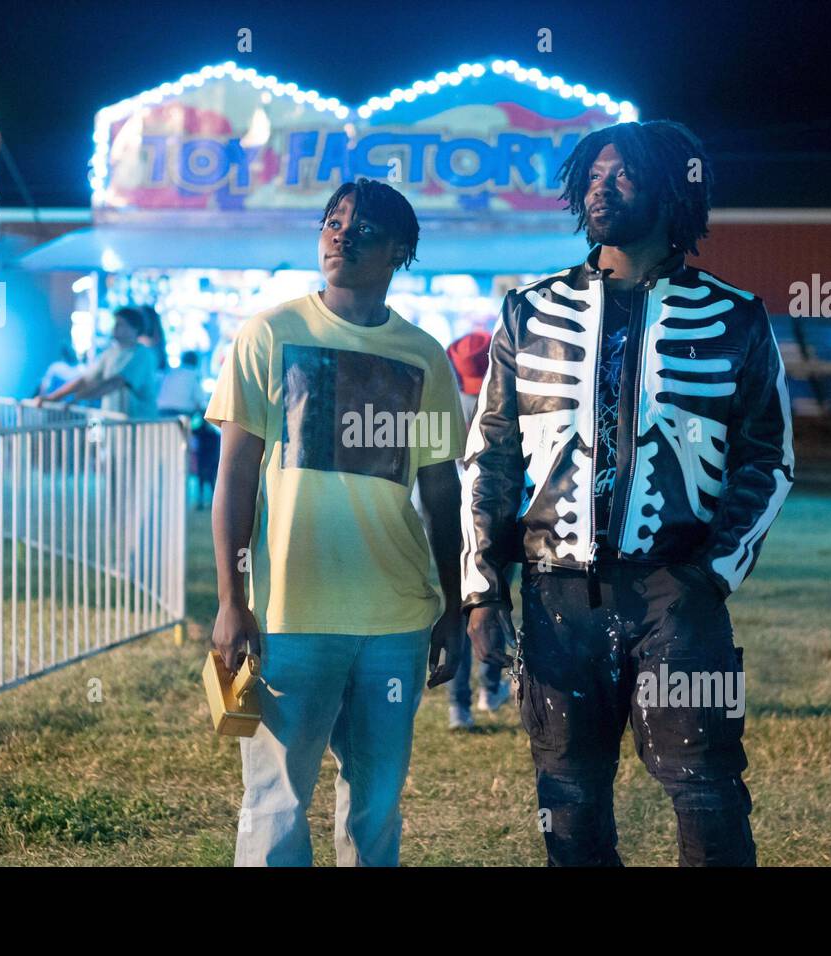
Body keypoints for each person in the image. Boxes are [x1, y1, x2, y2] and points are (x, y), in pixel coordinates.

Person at [462, 121, 795, 866]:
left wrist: (711, 575)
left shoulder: (736, 316)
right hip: (555, 592)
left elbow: (767, 460)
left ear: (671, 190)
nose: (600, 189)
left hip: (678, 591)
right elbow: (491, 457)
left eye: (622, 175)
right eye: (592, 175)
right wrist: (483, 589)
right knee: (568, 797)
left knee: (707, 788)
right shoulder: (528, 310)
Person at [206, 177, 467, 867]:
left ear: (399, 252)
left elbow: (442, 490)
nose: (342, 236)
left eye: (364, 229)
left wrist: (455, 605)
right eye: (333, 221)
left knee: (378, 804)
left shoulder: (424, 355)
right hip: (291, 614)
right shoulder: (269, 335)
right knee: (275, 803)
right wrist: (231, 601)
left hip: (397, 619)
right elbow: (234, 477)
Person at [445, 330, 511, 729]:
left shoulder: (441, 400)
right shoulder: (505, 400)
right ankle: (489, 688)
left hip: (453, 522)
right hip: (494, 522)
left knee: (458, 610)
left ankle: (460, 706)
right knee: (494, 600)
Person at [38, 306, 159, 419]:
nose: (115, 328)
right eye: (115, 324)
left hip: (138, 423)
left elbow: (116, 382)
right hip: (114, 422)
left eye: (120, 324)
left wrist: (80, 398)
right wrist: (53, 397)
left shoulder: (143, 355)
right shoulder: (110, 354)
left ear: (135, 329)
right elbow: (86, 379)